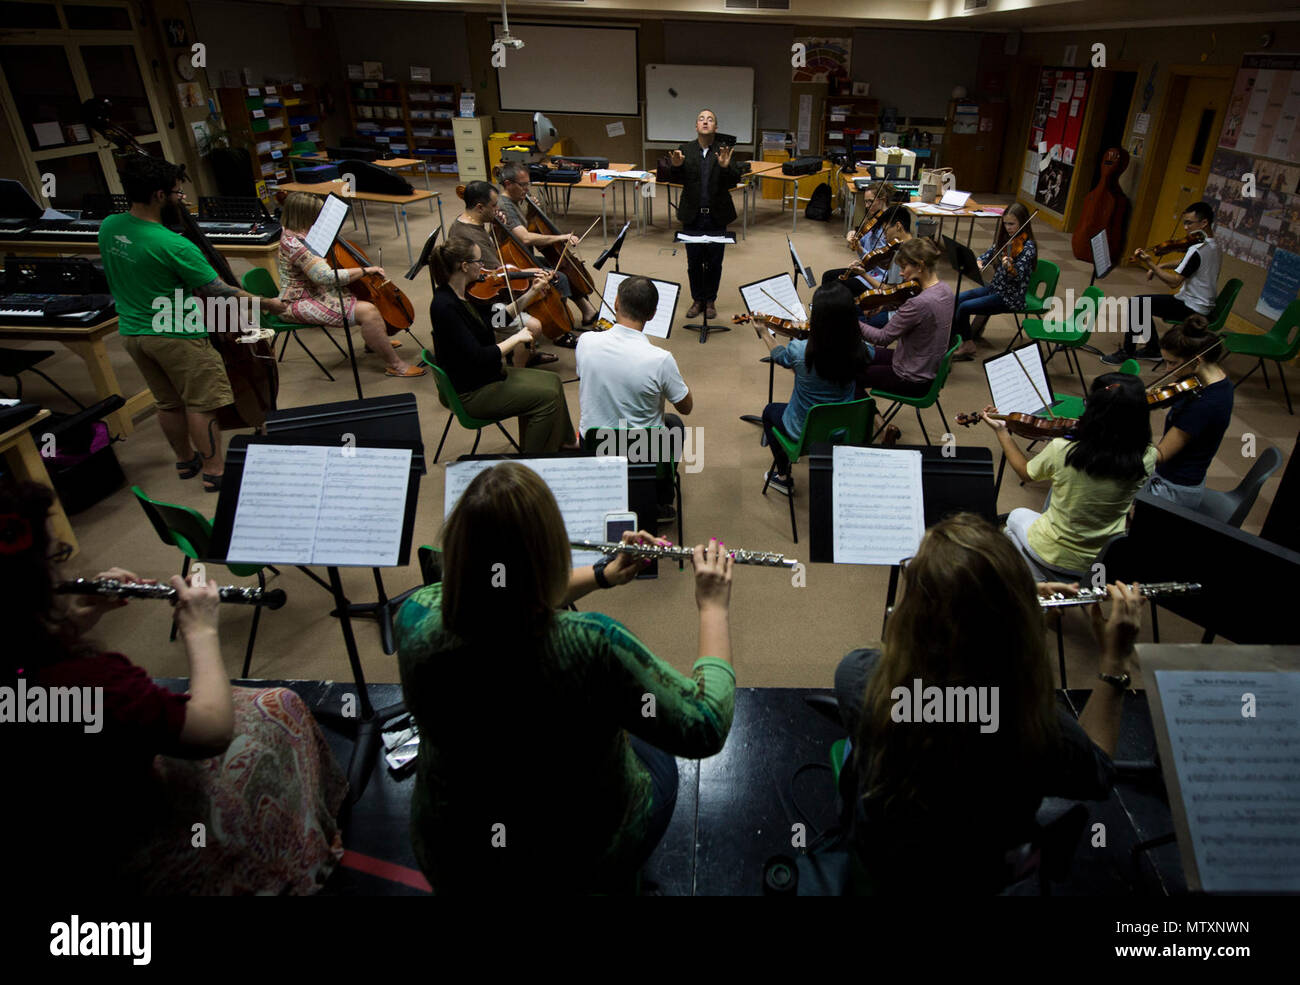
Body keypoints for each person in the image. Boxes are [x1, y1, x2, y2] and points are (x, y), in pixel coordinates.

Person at [395, 462, 735, 894]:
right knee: (660, 760)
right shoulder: (593, 645)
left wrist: (601, 575)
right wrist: (713, 607)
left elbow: (498, 594)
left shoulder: (416, 614)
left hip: (454, 851)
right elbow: (705, 725)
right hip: (574, 860)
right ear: (551, 552)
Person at [0, 479, 347, 894]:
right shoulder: (90, 686)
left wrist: (67, 622)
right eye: (57, 556)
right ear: (30, 581)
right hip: (120, 845)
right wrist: (200, 631)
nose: (66, 570)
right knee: (281, 705)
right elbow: (210, 731)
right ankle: (294, 859)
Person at [833, 513, 1143, 893]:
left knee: (856, 745)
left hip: (881, 862)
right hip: (979, 876)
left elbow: (934, 689)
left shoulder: (856, 677)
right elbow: (1100, 774)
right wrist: (1115, 661)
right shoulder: (1035, 726)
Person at [98, 155, 288, 493]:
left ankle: (186, 460)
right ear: (158, 195)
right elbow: (217, 291)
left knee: (168, 402)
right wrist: (268, 303)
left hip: (133, 332)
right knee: (203, 404)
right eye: (176, 193)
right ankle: (215, 470)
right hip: (177, 335)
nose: (181, 198)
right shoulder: (174, 244)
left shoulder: (110, 226)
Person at [981, 373, 1157, 578]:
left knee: (1014, 518)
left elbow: (1025, 472)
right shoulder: (1148, 455)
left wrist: (1002, 432)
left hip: (1054, 553)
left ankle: (1039, 582)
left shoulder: (1063, 449)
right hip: (1104, 555)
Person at [428, 238, 578, 454]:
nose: (484, 267)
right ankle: (532, 462)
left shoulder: (461, 295)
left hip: (486, 377)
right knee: (546, 399)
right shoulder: (445, 306)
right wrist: (516, 339)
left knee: (553, 381)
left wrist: (532, 292)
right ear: (464, 266)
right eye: (479, 261)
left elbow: (498, 319)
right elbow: (478, 356)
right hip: (473, 392)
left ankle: (566, 442)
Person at [576, 276, 692, 522]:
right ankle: (661, 500)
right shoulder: (661, 359)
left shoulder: (585, 342)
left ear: (616, 303)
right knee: (675, 424)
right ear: (652, 315)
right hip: (641, 452)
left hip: (595, 445)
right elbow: (686, 406)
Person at [273, 192, 423, 378]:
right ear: (304, 216)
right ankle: (396, 365)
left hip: (315, 291)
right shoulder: (294, 243)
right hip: (298, 300)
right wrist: (364, 271)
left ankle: (375, 340)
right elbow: (325, 276)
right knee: (368, 311)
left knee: (363, 295)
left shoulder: (298, 231)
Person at [754, 282, 869, 494]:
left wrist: (764, 332)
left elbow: (779, 355)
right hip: (847, 429)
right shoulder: (861, 350)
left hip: (804, 432)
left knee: (769, 412)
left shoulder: (799, 350)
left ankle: (783, 476)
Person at [448, 180, 569, 365]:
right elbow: (499, 274)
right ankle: (520, 365)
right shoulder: (470, 237)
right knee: (534, 326)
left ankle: (526, 351)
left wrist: (496, 230)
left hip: (486, 289)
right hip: (483, 303)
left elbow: (493, 256)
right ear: (480, 207)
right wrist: (536, 272)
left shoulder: (467, 222)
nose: (497, 209)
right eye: (494, 205)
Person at [857, 237, 954, 441]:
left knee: (849, 376)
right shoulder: (945, 290)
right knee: (860, 353)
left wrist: (849, 319)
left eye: (904, 267)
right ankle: (881, 426)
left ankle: (881, 427)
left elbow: (882, 337)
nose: (901, 273)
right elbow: (918, 318)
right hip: (926, 366)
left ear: (919, 265)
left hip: (911, 375)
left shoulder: (919, 303)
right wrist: (886, 305)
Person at [1103, 201, 1221, 364]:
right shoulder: (1213, 245)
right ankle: (1152, 349)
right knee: (1141, 303)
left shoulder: (1197, 249)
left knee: (1137, 304)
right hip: (1203, 303)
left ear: (1204, 223)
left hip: (1193, 308)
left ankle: (1127, 353)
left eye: (1189, 223)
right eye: (1184, 223)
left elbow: (1174, 282)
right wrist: (1163, 265)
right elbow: (1185, 262)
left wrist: (1150, 264)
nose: (1185, 228)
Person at [496, 162, 602, 329]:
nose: (526, 189)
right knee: (560, 276)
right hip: (515, 261)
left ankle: (587, 311)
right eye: (523, 185)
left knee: (563, 267)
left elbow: (526, 227)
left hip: (524, 255)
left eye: (528, 184)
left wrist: (532, 212)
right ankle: (561, 323)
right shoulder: (504, 205)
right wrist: (561, 237)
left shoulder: (515, 201)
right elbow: (525, 238)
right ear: (508, 184)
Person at [1147, 315, 1234, 509]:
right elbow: (1162, 396)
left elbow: (1159, 455)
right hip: (1172, 477)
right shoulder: (1209, 380)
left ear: (1197, 360)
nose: (1167, 370)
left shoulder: (1206, 404)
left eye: (1172, 363)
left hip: (1173, 489)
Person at [668, 109, 746, 320]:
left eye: (710, 119)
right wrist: (675, 166)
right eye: (701, 119)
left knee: (714, 262)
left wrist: (725, 167)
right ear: (696, 126)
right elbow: (676, 179)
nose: (705, 122)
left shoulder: (724, 150)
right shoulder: (685, 150)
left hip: (716, 216)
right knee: (693, 262)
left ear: (716, 127)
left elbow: (734, 180)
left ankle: (710, 300)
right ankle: (697, 300)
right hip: (692, 215)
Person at [951, 202, 1037, 360]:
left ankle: (968, 344)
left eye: (1012, 224)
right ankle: (957, 340)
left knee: (964, 307)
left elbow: (1017, 275)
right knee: (957, 299)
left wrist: (1009, 267)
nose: (1008, 228)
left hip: (1010, 297)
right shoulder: (1005, 240)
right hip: (995, 288)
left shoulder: (1028, 247)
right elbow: (986, 255)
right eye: (1005, 223)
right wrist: (979, 262)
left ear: (1023, 222)